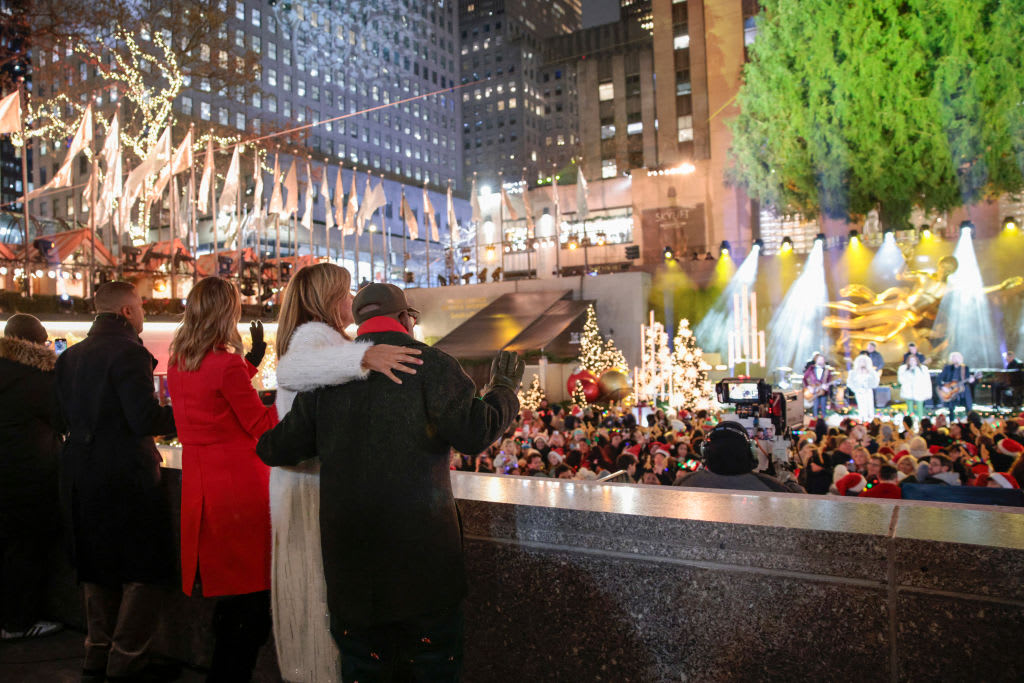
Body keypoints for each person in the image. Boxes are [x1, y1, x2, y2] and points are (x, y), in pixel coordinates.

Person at [257, 283, 522, 682]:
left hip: (352, 567)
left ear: (360, 323)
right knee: (433, 669)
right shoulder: (432, 365)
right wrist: (503, 390)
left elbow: (275, 449)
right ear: (405, 319)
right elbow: (473, 433)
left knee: (365, 670)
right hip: (425, 567)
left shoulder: (334, 372)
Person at [268, 263, 422, 683]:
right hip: (309, 487)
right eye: (348, 292)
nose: (353, 300)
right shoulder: (314, 337)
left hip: (310, 484)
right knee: (320, 597)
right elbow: (290, 371)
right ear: (330, 300)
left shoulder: (326, 339)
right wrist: (365, 355)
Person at [55, 282, 177, 683]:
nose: (143, 314)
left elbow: (62, 419)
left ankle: (96, 652)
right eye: (140, 307)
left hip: (79, 473)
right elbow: (144, 419)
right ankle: (128, 659)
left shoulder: (69, 357)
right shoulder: (130, 353)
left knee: (96, 566)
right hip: (126, 475)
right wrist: (187, 410)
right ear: (127, 311)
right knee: (143, 568)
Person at [166, 277, 278, 681]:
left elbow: (212, 395)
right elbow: (260, 424)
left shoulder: (180, 361)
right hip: (239, 486)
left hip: (202, 485)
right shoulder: (225, 364)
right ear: (225, 312)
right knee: (252, 594)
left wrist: (251, 362)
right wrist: (294, 393)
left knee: (229, 589)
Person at [0, 314, 62, 641]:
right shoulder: (39, 377)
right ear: (39, 342)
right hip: (27, 474)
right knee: (26, 549)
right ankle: (19, 623)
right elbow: (62, 418)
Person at [674, 421, 805, 493]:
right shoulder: (772, 487)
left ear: (705, 452)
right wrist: (790, 482)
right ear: (751, 452)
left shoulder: (685, 484)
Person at [897, 353, 931, 420]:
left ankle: (920, 421)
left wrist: (928, 392)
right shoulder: (903, 369)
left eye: (914, 360)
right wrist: (908, 372)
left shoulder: (923, 369)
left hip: (919, 391)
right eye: (911, 360)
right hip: (908, 391)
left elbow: (927, 381)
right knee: (910, 409)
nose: (912, 362)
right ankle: (911, 422)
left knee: (920, 407)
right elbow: (901, 380)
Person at [847, 355, 880, 422]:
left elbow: (875, 382)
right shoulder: (853, 373)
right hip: (859, 392)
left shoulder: (871, 372)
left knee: (869, 407)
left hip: (868, 391)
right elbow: (850, 383)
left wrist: (868, 387)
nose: (862, 362)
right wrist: (856, 389)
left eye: (864, 361)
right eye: (861, 361)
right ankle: (862, 419)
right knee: (861, 406)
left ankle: (870, 420)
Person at [803, 352, 835, 419]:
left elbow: (829, 381)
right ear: (816, 360)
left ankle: (824, 420)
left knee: (823, 406)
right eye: (819, 360)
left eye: (822, 360)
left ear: (824, 361)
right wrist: (808, 386)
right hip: (814, 390)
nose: (820, 361)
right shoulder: (811, 368)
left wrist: (827, 387)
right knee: (815, 406)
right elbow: (804, 378)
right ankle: (815, 419)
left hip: (823, 391)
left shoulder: (827, 371)